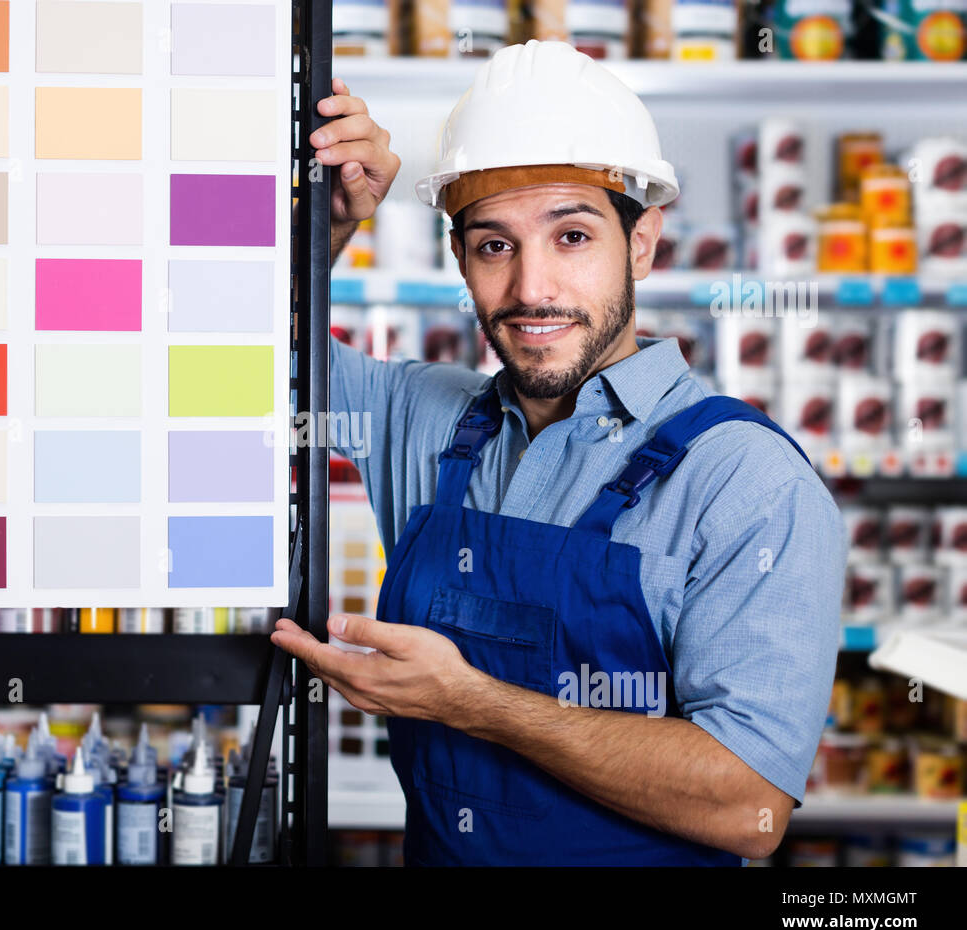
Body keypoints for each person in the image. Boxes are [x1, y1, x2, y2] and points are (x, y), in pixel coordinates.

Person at [270, 39, 846, 865]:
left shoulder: (746, 481)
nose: (532, 288)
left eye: (571, 236)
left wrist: (470, 702)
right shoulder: (422, 417)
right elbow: (238, 365)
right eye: (494, 245)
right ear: (460, 259)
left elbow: (744, 805)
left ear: (640, 243)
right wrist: (319, 234)